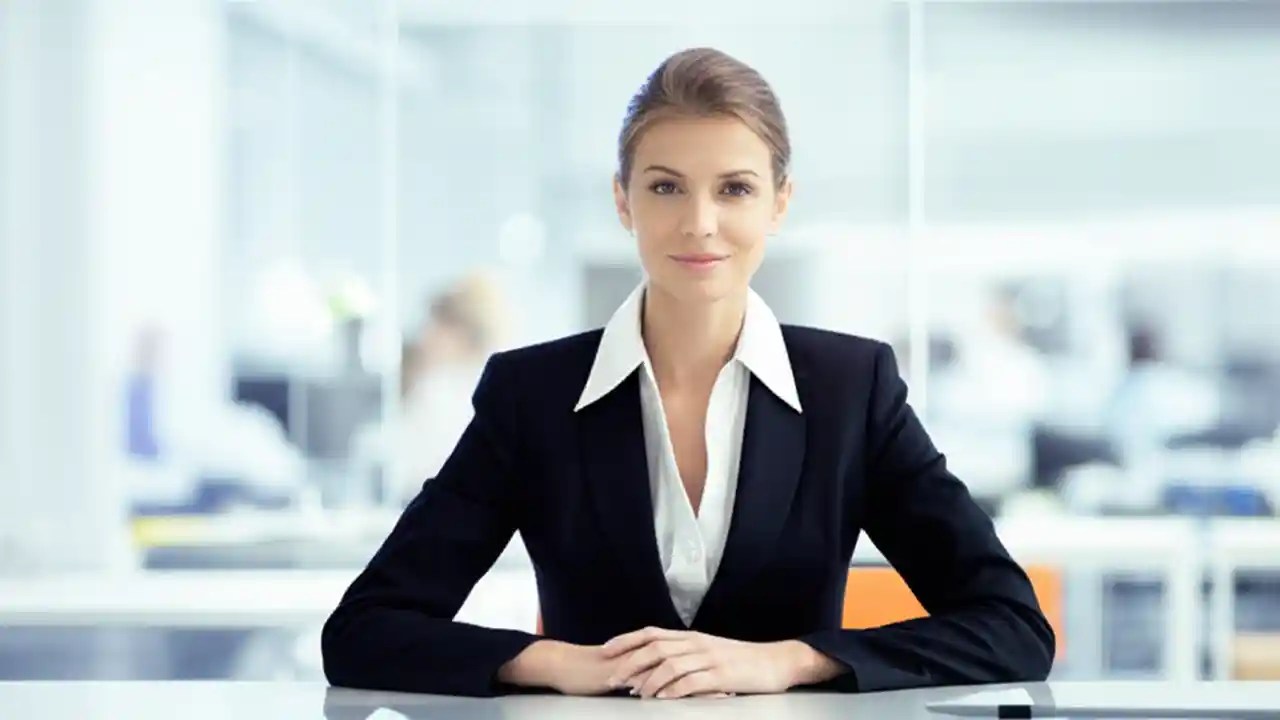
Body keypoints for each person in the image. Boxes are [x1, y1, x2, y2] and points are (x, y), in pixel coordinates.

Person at [322, 47, 1054, 699]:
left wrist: (787, 662)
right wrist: (552, 661)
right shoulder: (533, 395)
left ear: (779, 204)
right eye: (666, 187)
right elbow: (364, 630)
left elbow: (1012, 626)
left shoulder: (850, 389)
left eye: (734, 189)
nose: (699, 222)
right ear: (623, 201)